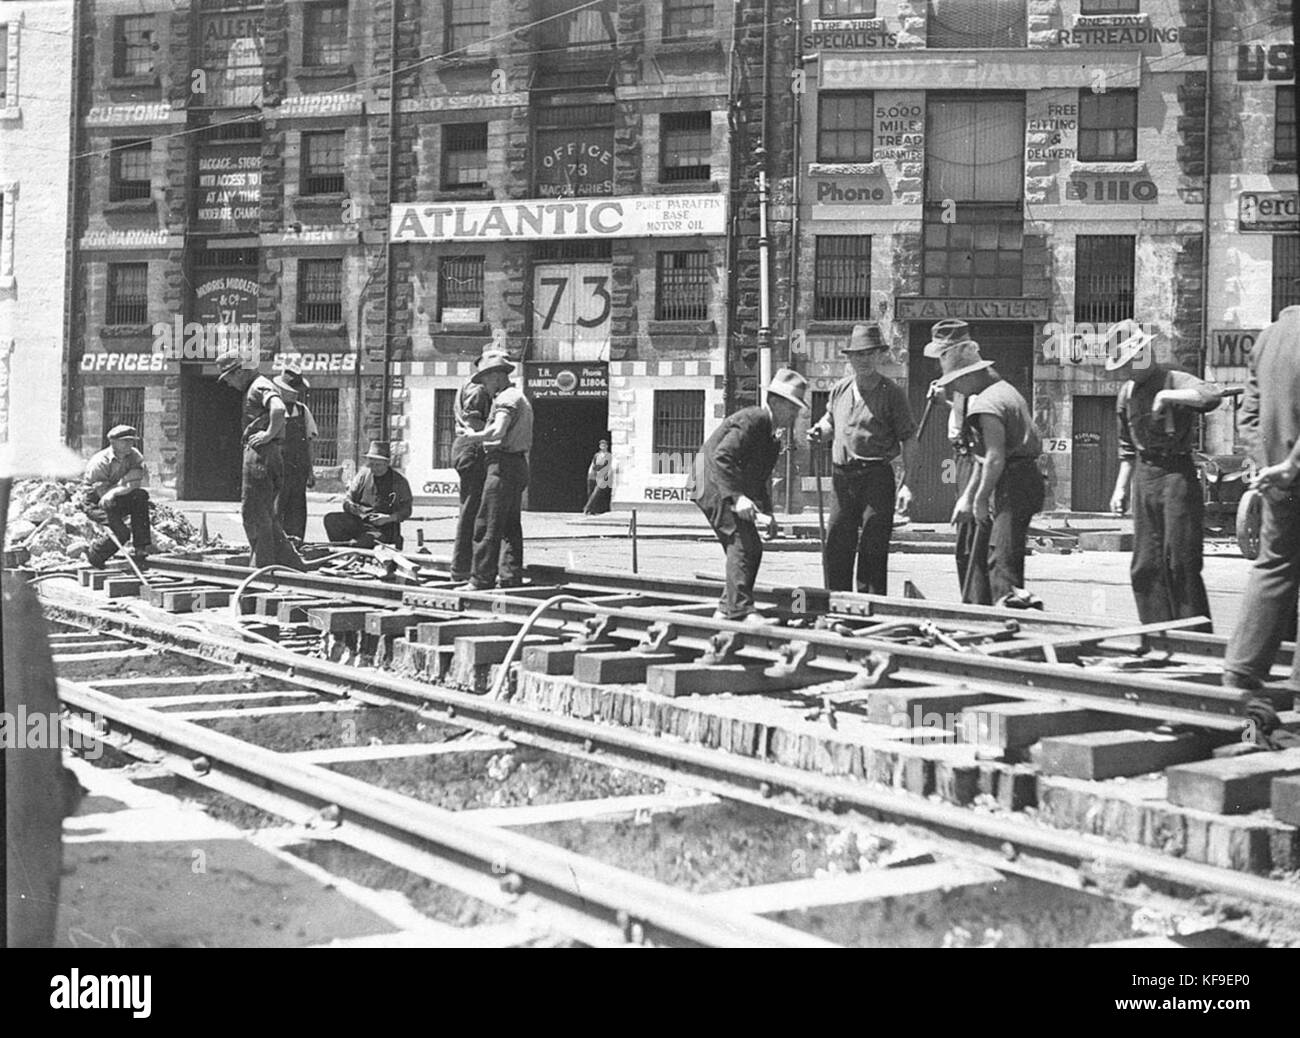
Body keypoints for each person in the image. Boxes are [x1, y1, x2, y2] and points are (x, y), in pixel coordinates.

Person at [1107, 321, 1221, 631]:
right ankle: (1158, 636)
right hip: (1145, 476)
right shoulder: (1127, 393)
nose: (1128, 369)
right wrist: (1121, 490)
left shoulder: (1174, 376)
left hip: (1176, 475)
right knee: (1145, 564)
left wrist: (1170, 397)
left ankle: (1195, 641)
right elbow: (1126, 449)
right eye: (1123, 364)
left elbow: (1212, 396)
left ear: (1145, 353)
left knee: (1180, 562)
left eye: (1131, 361)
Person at [1222, 304, 1300, 709]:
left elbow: (1248, 415)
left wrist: (1272, 467)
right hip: (1290, 470)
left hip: (1278, 478)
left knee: (1274, 565)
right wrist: (1291, 465)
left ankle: (1240, 670)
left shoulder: (1270, 336)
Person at [807, 322, 917, 595]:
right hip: (843, 478)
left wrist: (908, 483)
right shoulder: (840, 389)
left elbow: (909, 439)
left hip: (876, 477)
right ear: (850, 358)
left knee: (873, 545)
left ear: (879, 355)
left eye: (870, 353)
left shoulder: (892, 393)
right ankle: (836, 604)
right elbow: (831, 420)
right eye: (859, 354)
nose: (864, 360)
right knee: (836, 542)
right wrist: (820, 431)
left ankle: (870, 608)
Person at [694, 369, 809, 622]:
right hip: (709, 480)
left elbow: (758, 481)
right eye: (792, 408)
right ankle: (739, 609)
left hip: (720, 482)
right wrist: (736, 498)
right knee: (743, 543)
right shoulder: (754, 419)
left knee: (749, 545)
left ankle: (727, 608)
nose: (795, 415)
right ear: (776, 402)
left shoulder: (772, 436)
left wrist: (767, 514)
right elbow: (722, 457)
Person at [939, 346, 1046, 607]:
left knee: (1001, 562)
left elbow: (994, 458)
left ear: (966, 377)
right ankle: (998, 615)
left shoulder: (987, 405)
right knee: (1000, 557)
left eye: (954, 382)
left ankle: (1008, 623)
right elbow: (987, 457)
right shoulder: (1005, 391)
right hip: (1023, 479)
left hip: (1013, 481)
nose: (955, 389)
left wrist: (979, 499)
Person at [213, 351, 305, 570]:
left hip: (260, 455)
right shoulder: (256, 386)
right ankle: (290, 563)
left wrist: (268, 434)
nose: (228, 383)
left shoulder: (258, 386)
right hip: (266, 453)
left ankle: (261, 567)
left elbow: (279, 408)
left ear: (240, 371)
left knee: (253, 512)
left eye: (229, 377)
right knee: (265, 513)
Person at [456, 350, 534, 589]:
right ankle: (510, 577)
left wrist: (473, 437)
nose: (484, 387)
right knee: (510, 526)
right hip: (518, 465)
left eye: (486, 380)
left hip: (502, 466)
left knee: (486, 524)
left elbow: (498, 430)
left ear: (497, 377)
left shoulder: (505, 400)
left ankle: (480, 579)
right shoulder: (518, 396)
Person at [924, 319, 989, 602]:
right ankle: (970, 601)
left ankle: (977, 606)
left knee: (971, 540)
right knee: (964, 542)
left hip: (972, 461)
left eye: (943, 355)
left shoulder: (974, 383)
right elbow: (966, 416)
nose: (939, 363)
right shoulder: (961, 387)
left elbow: (983, 448)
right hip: (961, 459)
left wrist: (970, 495)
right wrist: (945, 404)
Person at [82, 425, 156, 568]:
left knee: (140, 496)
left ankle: (141, 548)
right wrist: (114, 496)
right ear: (113, 442)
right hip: (95, 500)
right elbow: (102, 496)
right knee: (122, 533)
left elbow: (134, 484)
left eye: (131, 441)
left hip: (115, 495)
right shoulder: (100, 462)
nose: (130, 444)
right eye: (125, 441)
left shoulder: (134, 456)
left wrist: (114, 492)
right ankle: (94, 554)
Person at [450, 360, 494, 581]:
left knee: (470, 507)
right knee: (472, 509)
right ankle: (462, 568)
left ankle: (462, 567)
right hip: (473, 448)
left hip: (466, 447)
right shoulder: (477, 389)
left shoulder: (466, 385)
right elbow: (474, 423)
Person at [323, 441, 414, 549]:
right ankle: (344, 551)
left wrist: (388, 518)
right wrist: (353, 509)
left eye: (378, 465)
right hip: (360, 522)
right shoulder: (363, 475)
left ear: (387, 463)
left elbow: (407, 510)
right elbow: (348, 500)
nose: (374, 468)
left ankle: (353, 549)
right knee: (331, 519)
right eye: (372, 464)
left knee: (363, 542)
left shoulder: (399, 481)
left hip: (384, 529)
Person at [273, 367, 317, 543]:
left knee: (297, 510)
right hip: (279, 469)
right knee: (277, 508)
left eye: (297, 392)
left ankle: (296, 544)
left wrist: (311, 472)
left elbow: (309, 441)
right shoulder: (272, 409)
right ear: (281, 390)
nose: (295, 395)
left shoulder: (303, 410)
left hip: (299, 470)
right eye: (292, 392)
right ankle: (276, 545)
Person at [583, 439, 613, 515]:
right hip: (593, 475)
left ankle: (587, 508)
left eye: (604, 445)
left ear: (607, 446)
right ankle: (591, 510)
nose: (603, 447)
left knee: (596, 493)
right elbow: (593, 465)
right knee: (591, 492)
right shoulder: (597, 455)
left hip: (601, 476)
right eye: (601, 445)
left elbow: (608, 466)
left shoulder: (609, 455)